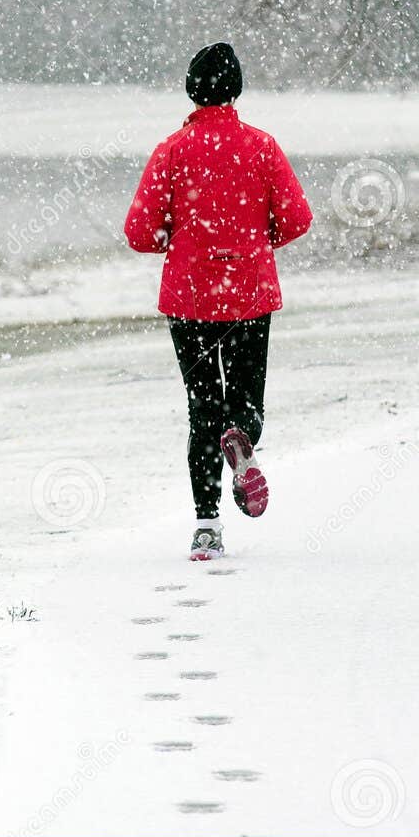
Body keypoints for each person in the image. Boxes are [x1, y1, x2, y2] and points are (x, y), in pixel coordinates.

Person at [123, 42, 313, 561]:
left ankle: (207, 526)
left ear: (191, 90)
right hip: (249, 292)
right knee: (246, 396)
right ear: (237, 90)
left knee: (201, 407)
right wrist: (256, 239)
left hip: (189, 298)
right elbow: (298, 219)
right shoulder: (262, 147)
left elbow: (138, 232)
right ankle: (242, 434)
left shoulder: (171, 150)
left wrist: (179, 241)